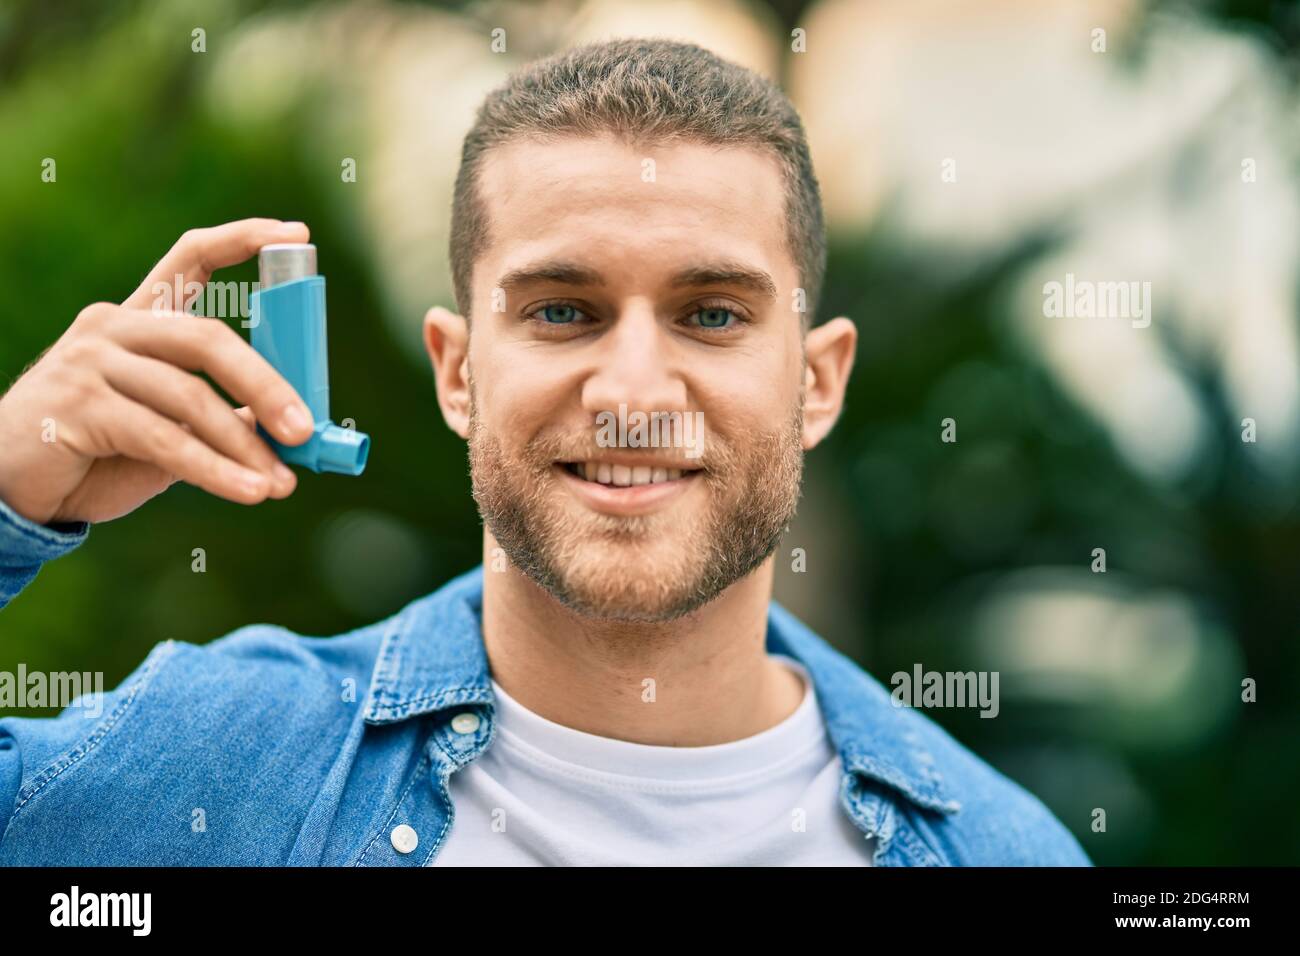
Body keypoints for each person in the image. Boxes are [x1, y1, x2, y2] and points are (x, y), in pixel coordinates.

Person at [0, 38, 1089, 866]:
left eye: (711, 314)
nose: (628, 390)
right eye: (563, 310)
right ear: (458, 372)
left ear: (815, 382)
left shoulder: (1005, 850)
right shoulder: (227, 765)